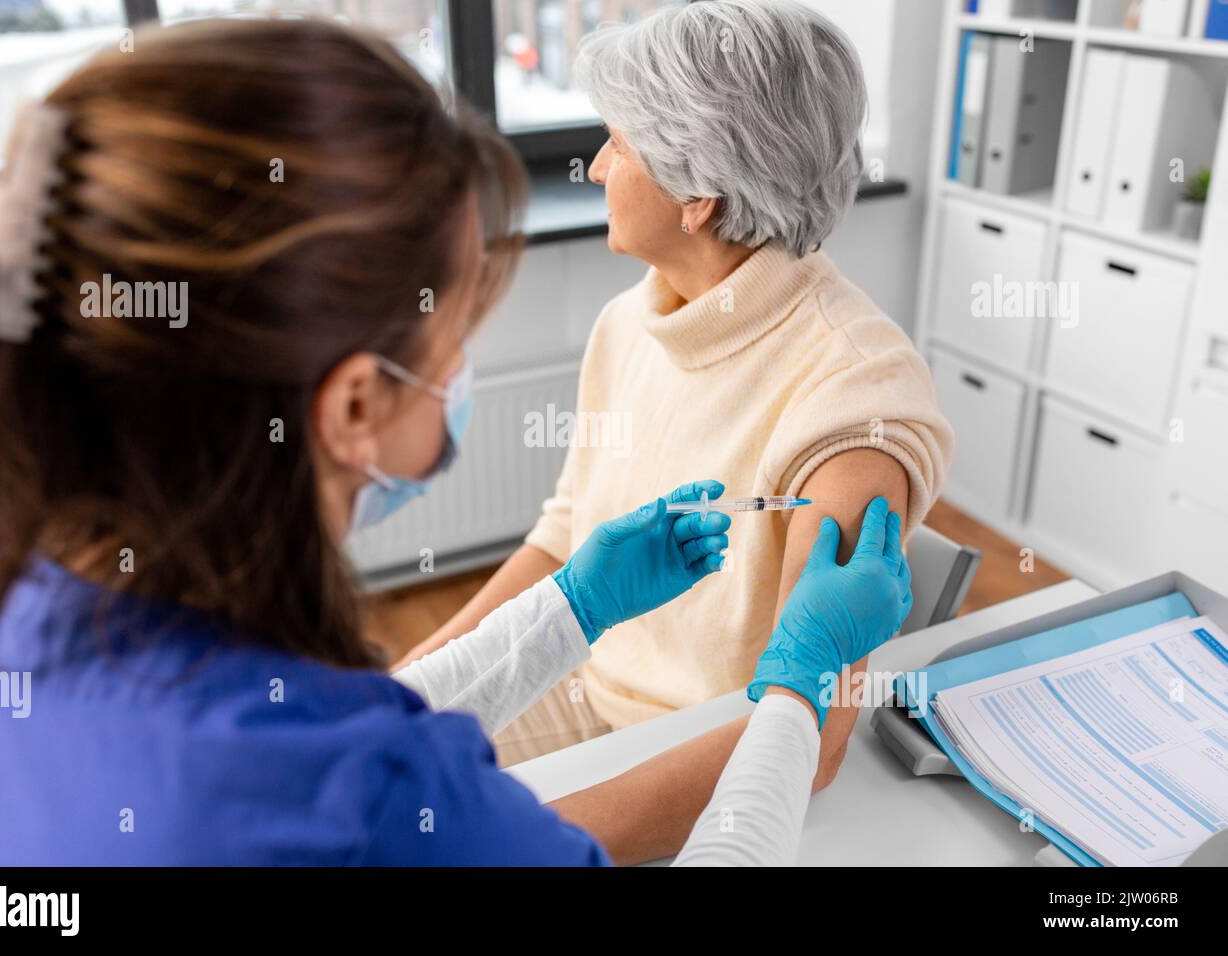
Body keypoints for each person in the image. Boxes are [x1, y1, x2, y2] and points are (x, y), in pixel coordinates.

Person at [0, 17, 911, 866]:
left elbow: (344, 731)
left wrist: (574, 603)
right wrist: (800, 680)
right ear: (355, 403)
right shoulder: (371, 799)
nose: (602, 165)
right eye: (450, 330)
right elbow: (364, 770)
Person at [395, 0, 954, 860]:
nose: (592, 166)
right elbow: (559, 541)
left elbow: (819, 740)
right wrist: (400, 694)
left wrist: (518, 844)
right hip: (572, 682)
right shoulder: (635, 319)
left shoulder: (852, 391)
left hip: (698, 751)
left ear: (699, 195)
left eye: (616, 142)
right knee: (362, 770)